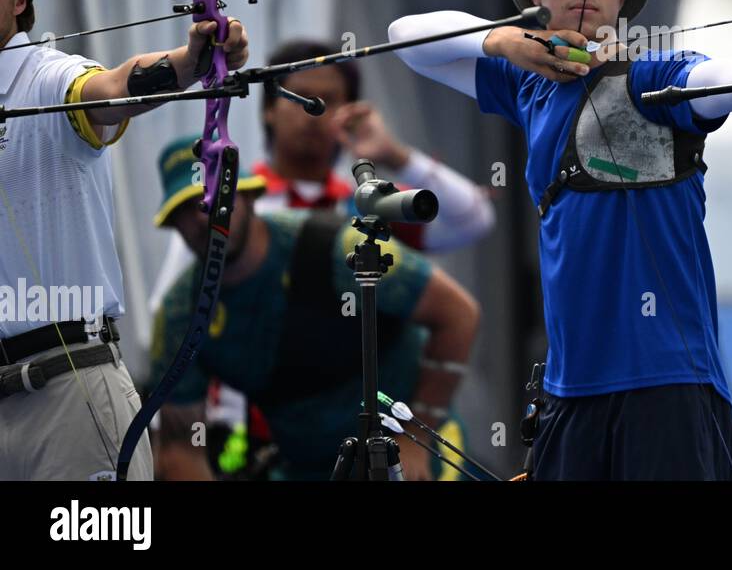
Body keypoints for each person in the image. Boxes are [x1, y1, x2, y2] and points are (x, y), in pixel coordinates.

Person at [388, 0, 732, 479]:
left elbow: (722, 81)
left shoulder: (653, 76)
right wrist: (503, 40)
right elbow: (406, 37)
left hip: (667, 389)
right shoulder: (525, 85)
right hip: (568, 393)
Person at [146, 38, 496, 476]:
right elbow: (175, 325)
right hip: (273, 437)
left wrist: (392, 154)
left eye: (330, 100)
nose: (315, 110)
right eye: (299, 97)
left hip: (400, 435)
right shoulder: (221, 210)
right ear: (269, 109)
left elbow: (472, 220)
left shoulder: (366, 207)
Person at [0, 0, 248, 480]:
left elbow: (110, 89)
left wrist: (187, 63)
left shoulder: (46, 77)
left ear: (19, 0)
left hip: (68, 392)